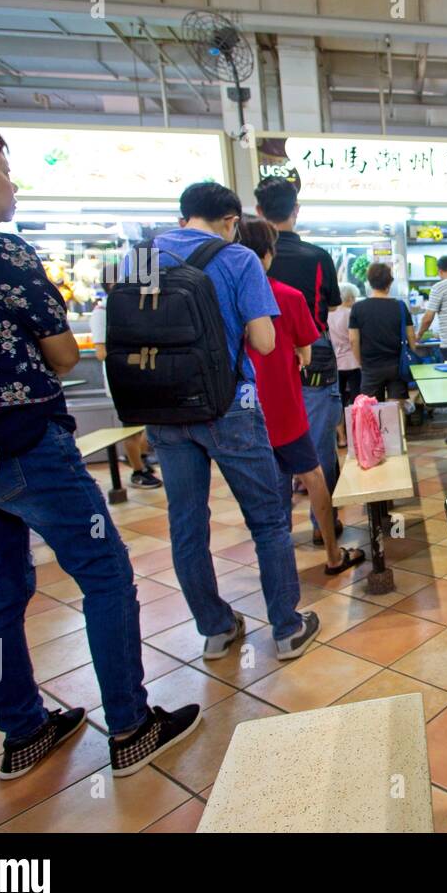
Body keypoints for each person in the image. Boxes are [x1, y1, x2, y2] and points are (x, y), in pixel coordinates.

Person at [0, 105, 201, 779]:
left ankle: (23, 730)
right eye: (5, 172)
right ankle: (129, 724)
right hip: (28, 444)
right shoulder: (1, 252)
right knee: (105, 573)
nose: (13, 186)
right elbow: (63, 354)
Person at [134, 181, 320, 662]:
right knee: (267, 520)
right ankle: (285, 628)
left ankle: (215, 629)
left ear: (182, 216)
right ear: (231, 220)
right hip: (227, 406)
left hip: (162, 407)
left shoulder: (139, 255)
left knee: (188, 523)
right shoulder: (238, 258)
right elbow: (262, 341)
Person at [237, 219, 366, 575]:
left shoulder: (223, 295)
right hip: (285, 405)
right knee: (314, 476)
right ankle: (332, 555)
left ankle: (277, 563)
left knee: (270, 488)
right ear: (267, 254)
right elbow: (306, 353)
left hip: (244, 411)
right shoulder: (288, 296)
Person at [254, 177, 343, 547]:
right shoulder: (317, 256)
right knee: (319, 442)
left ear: (259, 212)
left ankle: (276, 533)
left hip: (262, 355)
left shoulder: (247, 259)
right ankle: (323, 526)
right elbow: (333, 305)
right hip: (314, 350)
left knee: (270, 441)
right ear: (296, 210)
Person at [88, 292, 162, 488]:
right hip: (123, 379)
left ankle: (142, 458)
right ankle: (137, 471)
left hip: (143, 376)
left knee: (150, 422)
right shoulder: (101, 312)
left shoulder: (131, 307)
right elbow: (101, 352)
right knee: (131, 428)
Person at [350, 261, 416, 401]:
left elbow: (353, 340)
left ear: (369, 281)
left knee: (372, 409)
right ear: (390, 283)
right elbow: (411, 335)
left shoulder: (358, 308)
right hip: (397, 365)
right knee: (396, 408)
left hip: (370, 365)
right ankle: (397, 424)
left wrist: (360, 362)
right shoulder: (400, 306)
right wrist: (411, 354)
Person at [328, 284, 360, 447]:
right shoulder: (350, 314)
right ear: (349, 298)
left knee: (338, 401)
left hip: (335, 364)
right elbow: (354, 339)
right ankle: (357, 436)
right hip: (353, 362)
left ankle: (341, 438)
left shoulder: (327, 314)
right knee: (357, 400)